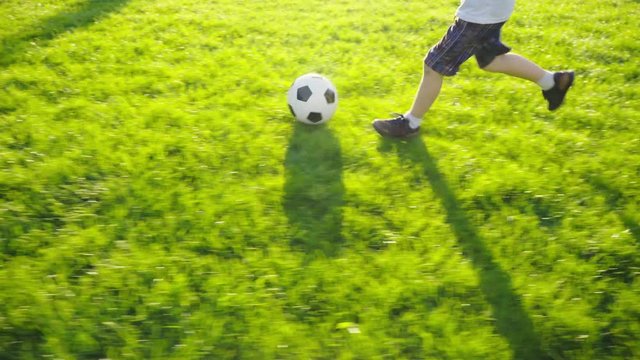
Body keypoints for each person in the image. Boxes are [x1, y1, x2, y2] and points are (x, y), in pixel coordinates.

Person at [372, 0, 575, 139]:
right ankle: (552, 82)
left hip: (478, 17)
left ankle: (410, 124)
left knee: (434, 65)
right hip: (494, 12)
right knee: (491, 60)